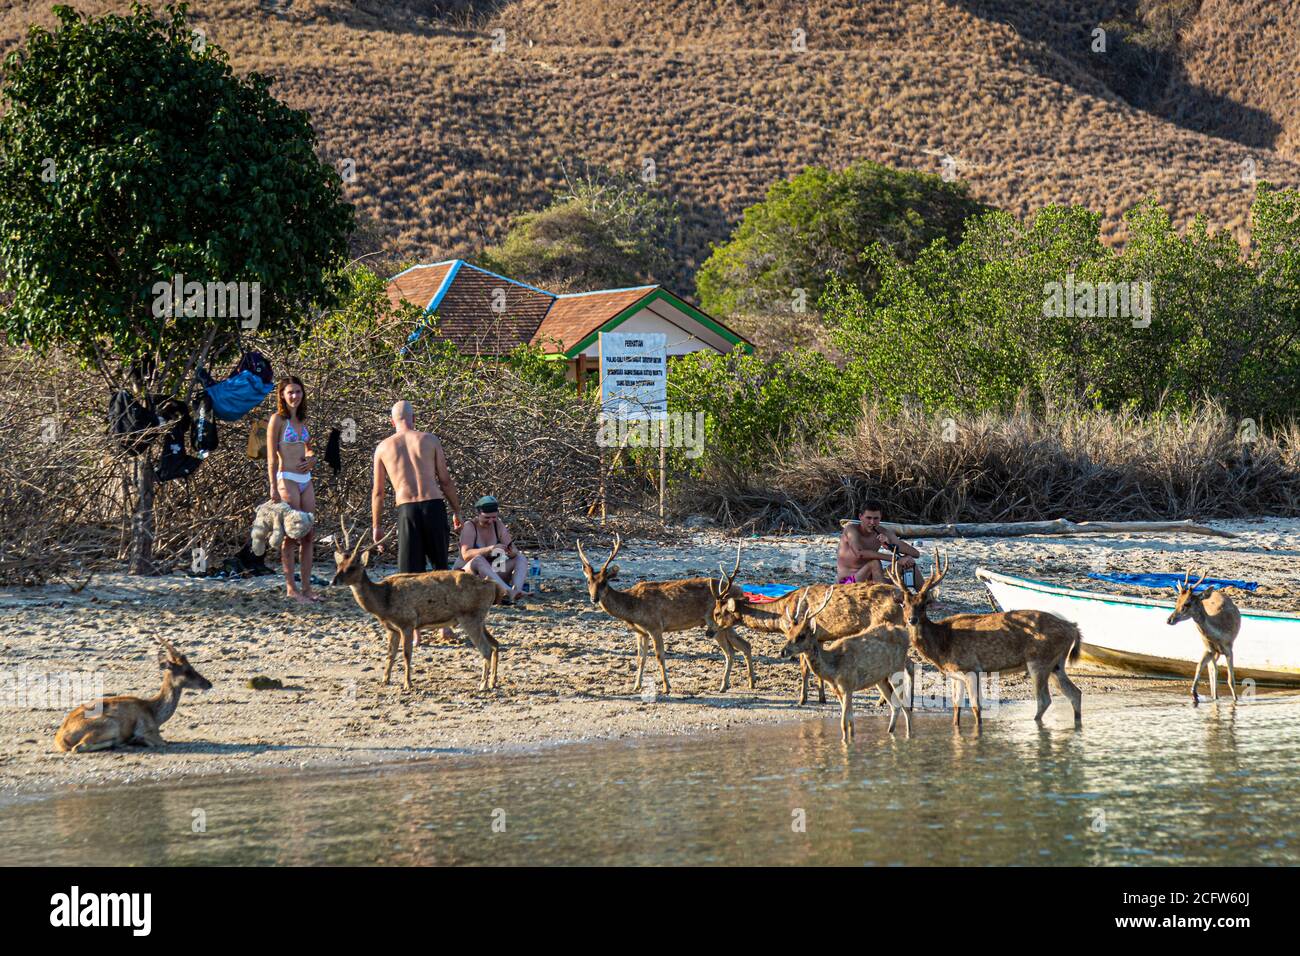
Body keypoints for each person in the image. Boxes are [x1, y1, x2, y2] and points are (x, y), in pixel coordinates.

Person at [372, 400, 463, 641]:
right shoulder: (429, 440)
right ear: (414, 419)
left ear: (392, 422)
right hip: (433, 505)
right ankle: (445, 627)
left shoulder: (383, 447)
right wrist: (457, 511)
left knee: (410, 576)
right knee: (441, 569)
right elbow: (445, 480)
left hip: (407, 510)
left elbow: (378, 492)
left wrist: (376, 526)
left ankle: (415, 633)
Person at [267, 375, 318, 603]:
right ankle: (291, 588)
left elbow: (309, 449)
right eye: (290, 392)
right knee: (291, 534)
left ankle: (307, 589)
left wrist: (311, 459)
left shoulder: (303, 420)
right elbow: (270, 458)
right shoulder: (277, 420)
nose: (294, 396)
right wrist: (272, 487)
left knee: (308, 535)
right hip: (286, 478)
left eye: (298, 391)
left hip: (305, 479)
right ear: (282, 395)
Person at [836, 500, 920, 585]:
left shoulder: (883, 532)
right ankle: (884, 594)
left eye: (876, 518)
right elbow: (859, 553)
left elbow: (916, 553)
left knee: (909, 562)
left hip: (871, 579)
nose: (872, 522)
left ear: (880, 517)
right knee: (875, 563)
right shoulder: (851, 529)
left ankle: (925, 596)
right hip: (847, 582)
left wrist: (890, 546)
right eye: (868, 518)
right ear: (860, 517)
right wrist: (896, 559)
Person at [459, 496, 526, 603]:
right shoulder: (470, 526)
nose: (490, 521)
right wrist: (491, 549)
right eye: (487, 517)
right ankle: (508, 591)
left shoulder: (498, 525)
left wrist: (510, 552)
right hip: (469, 573)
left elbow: (514, 550)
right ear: (478, 514)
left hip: (492, 573)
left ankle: (517, 590)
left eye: (493, 517)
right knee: (479, 560)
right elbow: (466, 555)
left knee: (520, 558)